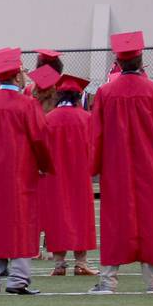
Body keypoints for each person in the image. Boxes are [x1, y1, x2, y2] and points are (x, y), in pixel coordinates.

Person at [0, 48, 52, 296]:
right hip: (21, 173)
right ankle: (18, 279)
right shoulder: (28, 105)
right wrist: (44, 165)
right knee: (21, 222)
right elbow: (39, 140)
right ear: (17, 77)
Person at [88, 31, 153, 294]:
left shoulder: (105, 92)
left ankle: (108, 282)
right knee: (151, 220)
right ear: (141, 59)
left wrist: (94, 167)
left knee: (115, 221)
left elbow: (96, 134)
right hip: (151, 166)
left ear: (118, 63)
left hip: (116, 167)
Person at [38, 72, 97, 276]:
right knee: (81, 215)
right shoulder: (86, 118)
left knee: (57, 215)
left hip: (54, 176)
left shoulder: (48, 119)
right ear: (77, 96)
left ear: (58, 96)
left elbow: (41, 149)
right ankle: (81, 263)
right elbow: (93, 148)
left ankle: (59, 265)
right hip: (79, 175)